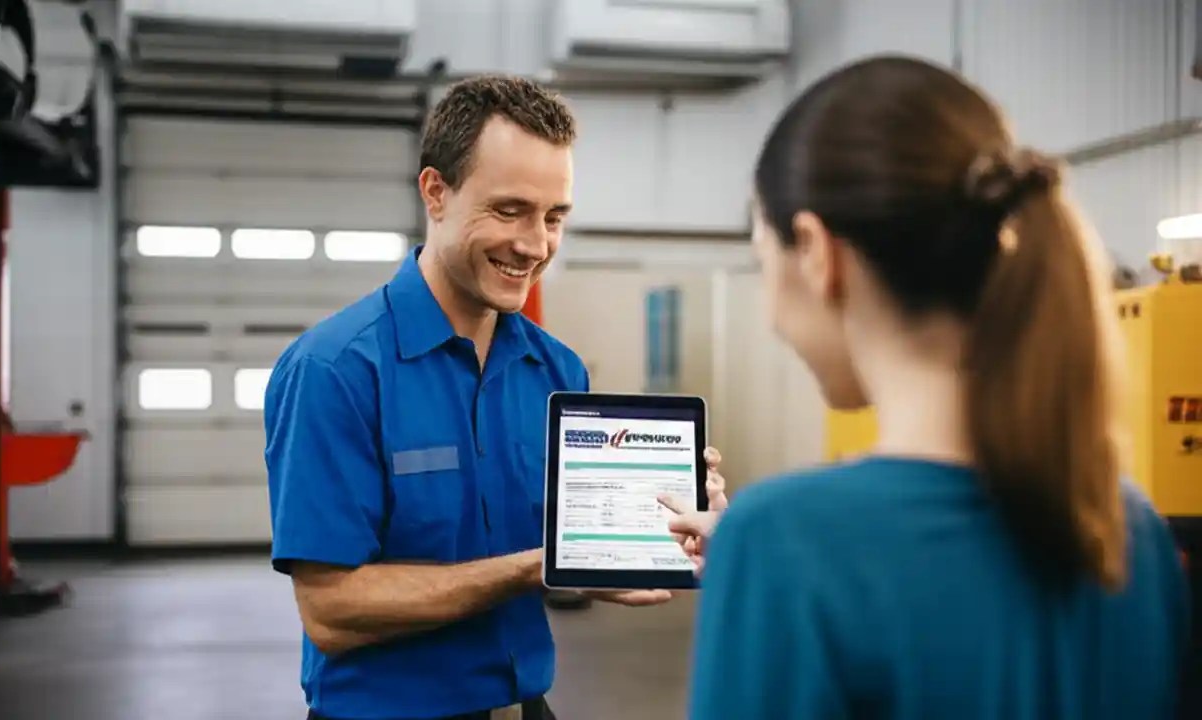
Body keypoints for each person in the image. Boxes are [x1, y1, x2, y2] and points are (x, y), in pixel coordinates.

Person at [666, 56, 1192, 719]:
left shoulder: (785, 542)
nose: (772, 311)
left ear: (816, 252)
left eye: (762, 259)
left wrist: (764, 567)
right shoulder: (1130, 529)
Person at [263, 74, 726, 720]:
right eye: (509, 211)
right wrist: (533, 568)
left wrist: (666, 524)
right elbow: (332, 612)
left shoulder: (555, 370)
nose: (535, 244)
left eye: (554, 217)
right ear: (436, 192)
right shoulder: (335, 371)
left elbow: (574, 551)